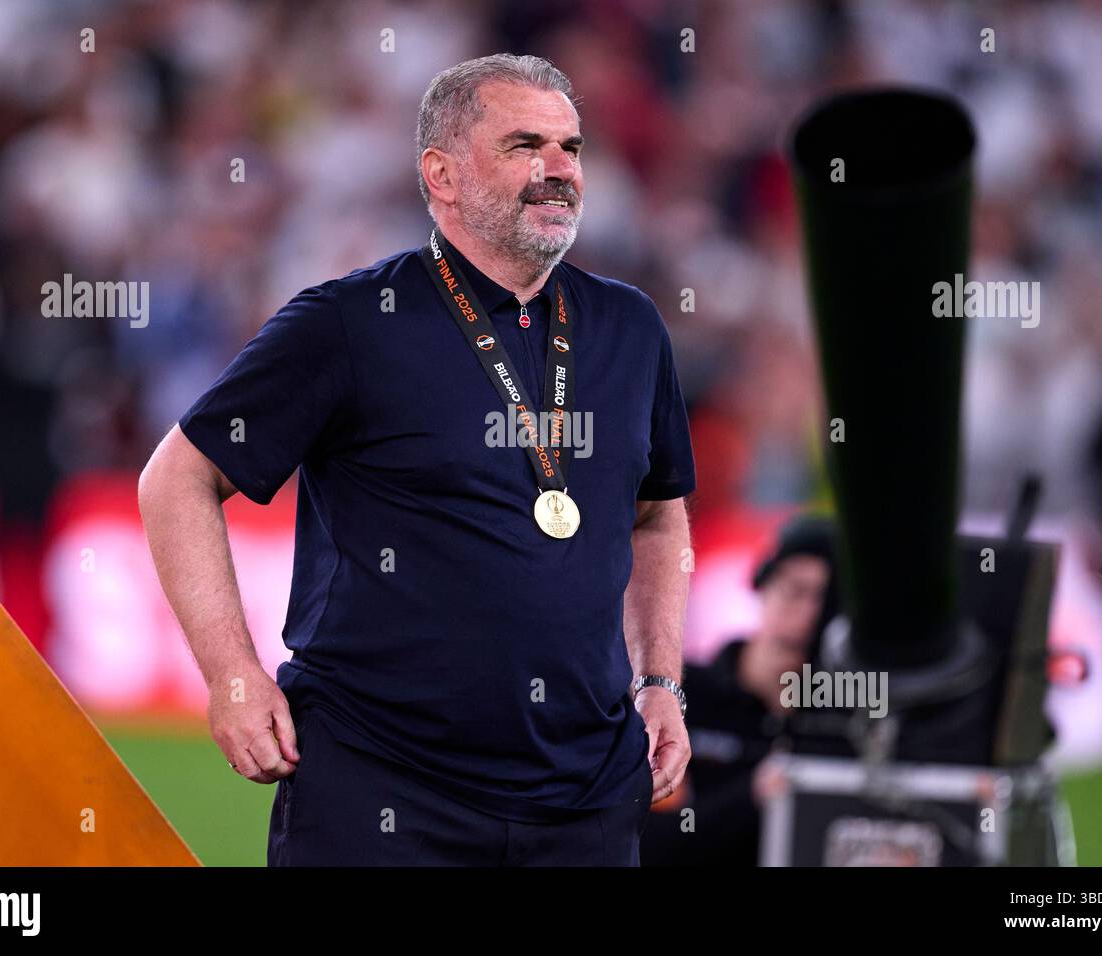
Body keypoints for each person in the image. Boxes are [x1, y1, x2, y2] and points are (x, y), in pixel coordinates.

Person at [137, 54, 696, 866]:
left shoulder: (631, 327)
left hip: (584, 794)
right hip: (382, 786)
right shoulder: (351, 322)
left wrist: (660, 680)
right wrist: (232, 674)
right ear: (441, 173)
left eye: (571, 148)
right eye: (524, 145)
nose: (558, 171)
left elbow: (658, 513)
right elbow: (178, 477)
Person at [641, 514, 840, 866]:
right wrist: (753, 796)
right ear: (763, 586)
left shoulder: (841, 712)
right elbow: (646, 838)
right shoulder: (683, 696)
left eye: (825, 599)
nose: (809, 612)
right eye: (796, 590)